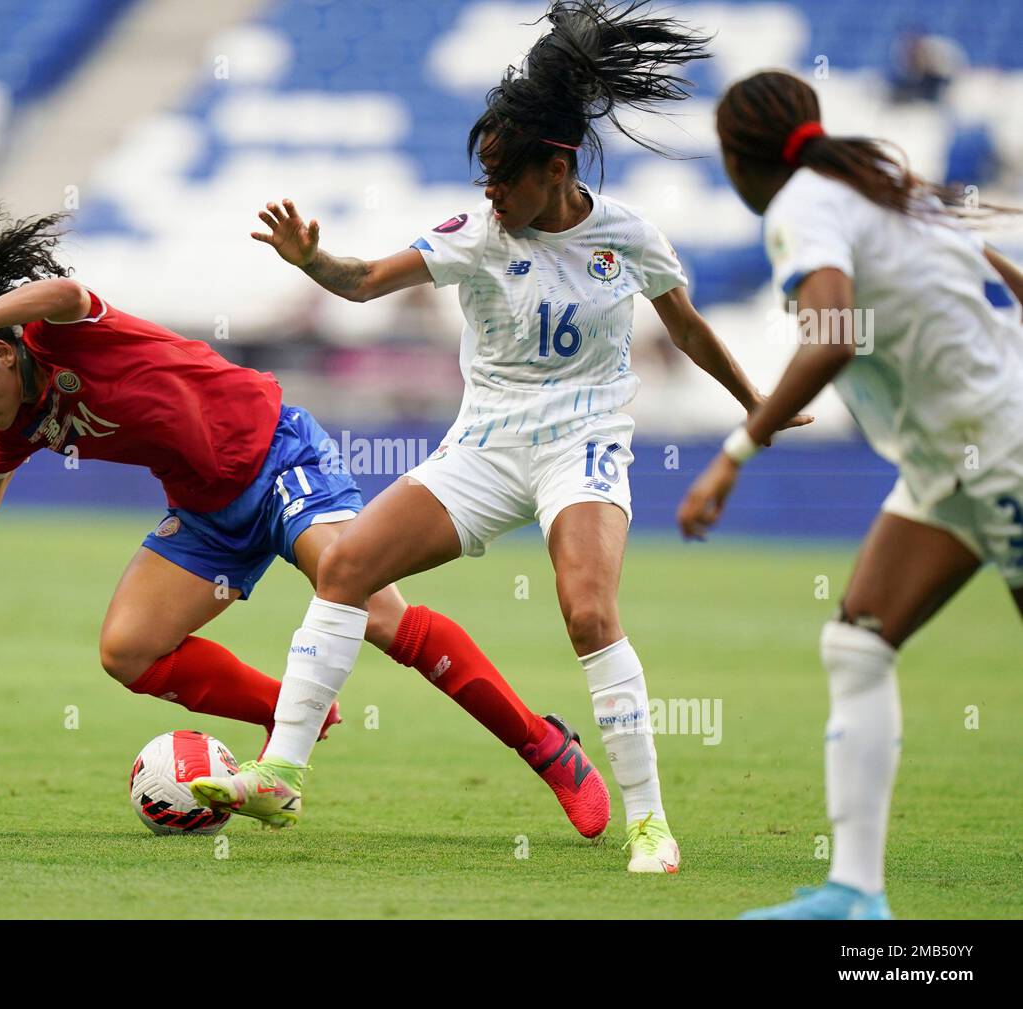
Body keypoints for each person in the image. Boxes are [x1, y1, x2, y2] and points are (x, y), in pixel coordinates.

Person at [190, 0, 808, 874]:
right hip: (485, 445)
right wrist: (311, 262)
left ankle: (650, 824)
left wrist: (755, 401)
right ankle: (283, 771)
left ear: (556, 167)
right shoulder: (480, 235)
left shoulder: (627, 235)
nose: (489, 194)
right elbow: (364, 280)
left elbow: (688, 328)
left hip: (582, 440)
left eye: (502, 179)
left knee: (588, 610)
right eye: (482, 177)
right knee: (346, 567)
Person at [0, 206, 612, 838]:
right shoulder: (13, 424)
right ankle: (299, 715)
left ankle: (548, 748)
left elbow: (67, 289)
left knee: (376, 614)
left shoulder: (64, 333)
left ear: (4, 355)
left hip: (279, 457)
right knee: (128, 649)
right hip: (207, 511)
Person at [676, 69, 1023, 918]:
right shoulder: (880, 189)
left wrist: (733, 452)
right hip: (953, 463)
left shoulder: (805, 204)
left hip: (1003, 451)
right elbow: (1003, 276)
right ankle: (855, 893)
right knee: (859, 641)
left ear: (735, 157)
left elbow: (830, 333)